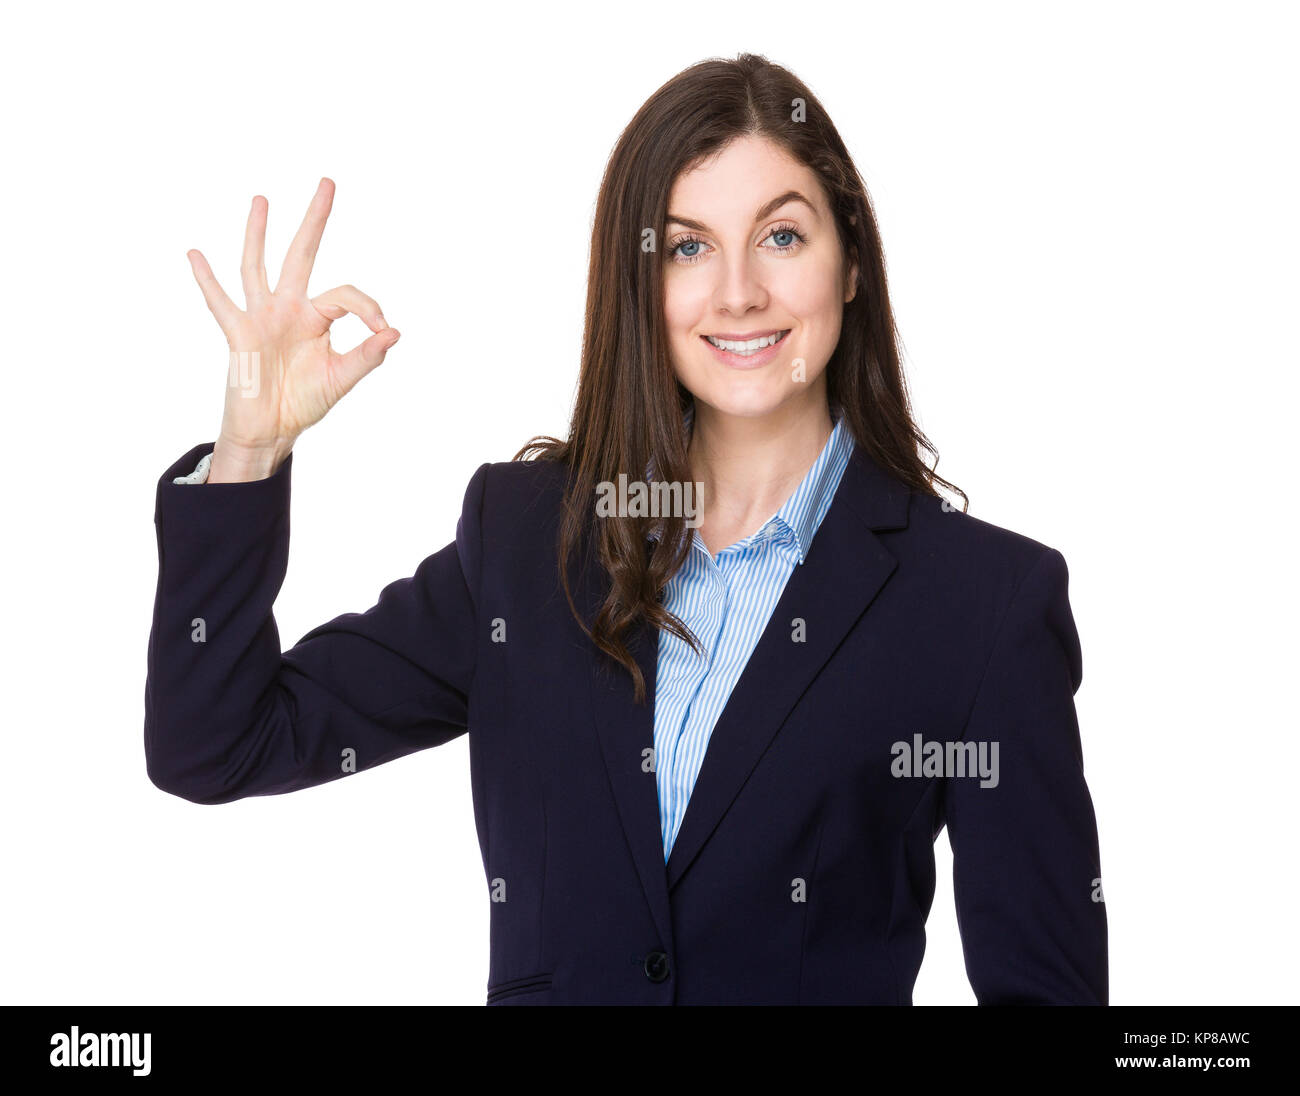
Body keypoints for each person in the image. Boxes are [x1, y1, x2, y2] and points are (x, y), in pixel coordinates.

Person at [145, 53, 1107, 1005]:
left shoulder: (979, 607)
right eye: (687, 247)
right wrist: (249, 446)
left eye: (780, 236)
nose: (737, 292)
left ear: (851, 264)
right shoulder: (529, 543)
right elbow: (218, 744)